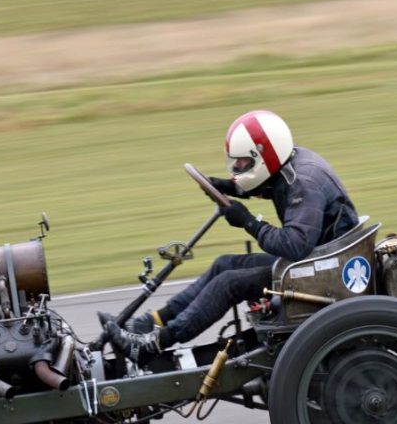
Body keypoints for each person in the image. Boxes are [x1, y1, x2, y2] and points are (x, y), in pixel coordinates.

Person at [101, 109, 359, 363]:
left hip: (321, 271)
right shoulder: (290, 164)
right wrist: (227, 187)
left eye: (243, 162)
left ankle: (151, 346)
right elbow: (271, 186)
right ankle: (149, 323)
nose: (237, 166)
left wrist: (249, 222)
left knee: (230, 283)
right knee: (224, 264)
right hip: (314, 260)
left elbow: (294, 246)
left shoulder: (304, 181)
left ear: (264, 155)